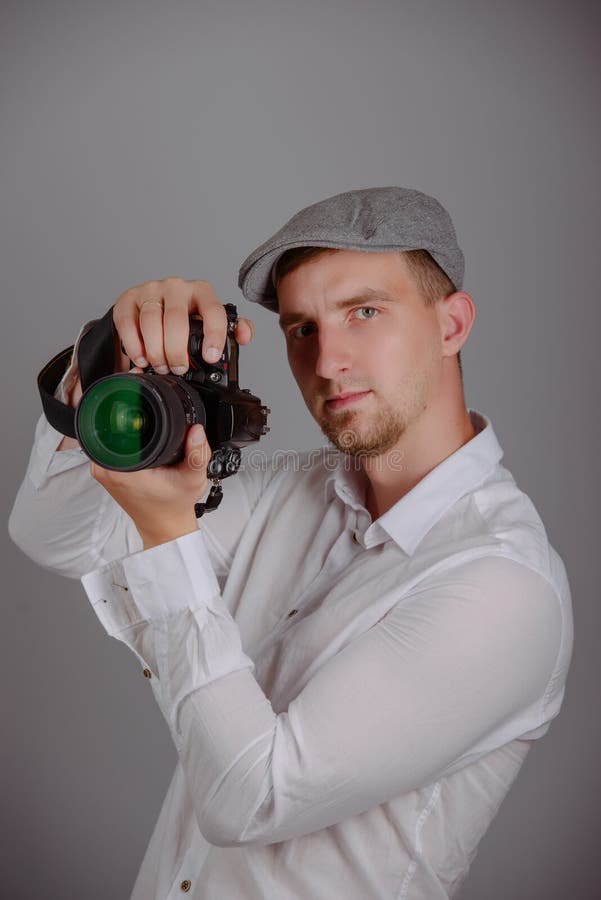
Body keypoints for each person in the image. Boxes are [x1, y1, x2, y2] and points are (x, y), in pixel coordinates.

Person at [9, 187, 573, 899]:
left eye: (363, 313)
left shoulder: (502, 584)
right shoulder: (292, 492)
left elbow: (252, 799)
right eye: (302, 328)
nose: (328, 360)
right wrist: (102, 364)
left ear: (450, 324)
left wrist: (167, 533)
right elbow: (55, 537)